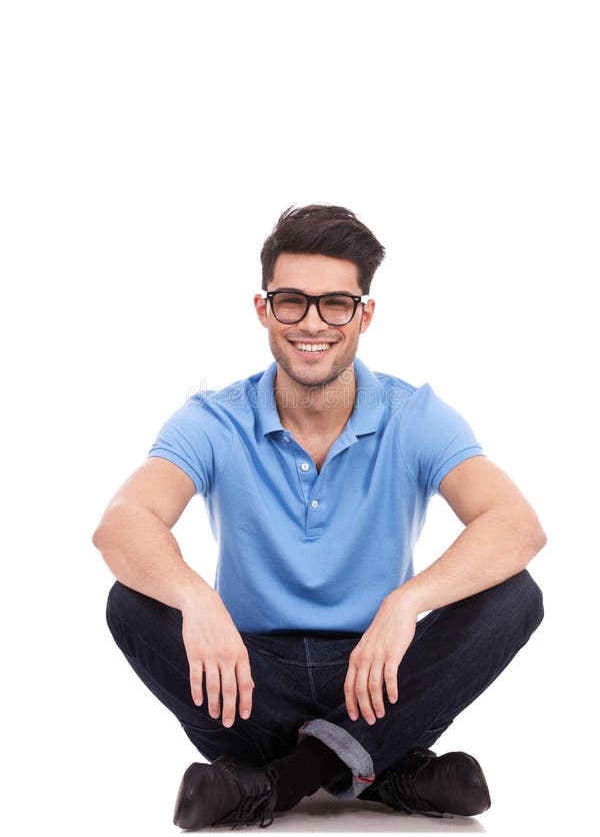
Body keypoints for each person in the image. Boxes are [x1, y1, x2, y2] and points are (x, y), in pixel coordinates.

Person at [93, 204, 546, 829]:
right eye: (291, 302)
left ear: (364, 315)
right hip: (248, 676)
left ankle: (279, 782)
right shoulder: (213, 419)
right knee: (131, 602)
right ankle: (385, 770)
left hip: (378, 675)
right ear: (263, 309)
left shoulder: (413, 415)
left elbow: (517, 524)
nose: (312, 323)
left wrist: (407, 602)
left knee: (515, 596)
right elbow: (122, 522)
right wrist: (195, 597)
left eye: (336, 304)